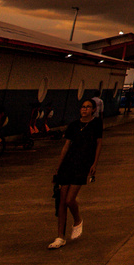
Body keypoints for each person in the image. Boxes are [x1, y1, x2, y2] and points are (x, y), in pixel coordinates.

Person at [49, 97, 103, 249]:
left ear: (93, 110)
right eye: (83, 107)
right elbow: (66, 146)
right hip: (68, 163)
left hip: (83, 164)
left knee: (69, 200)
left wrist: (94, 163)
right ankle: (60, 237)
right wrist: (58, 166)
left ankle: (78, 219)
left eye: (88, 107)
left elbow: (99, 144)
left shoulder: (96, 124)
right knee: (61, 201)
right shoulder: (73, 125)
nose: (85, 109)